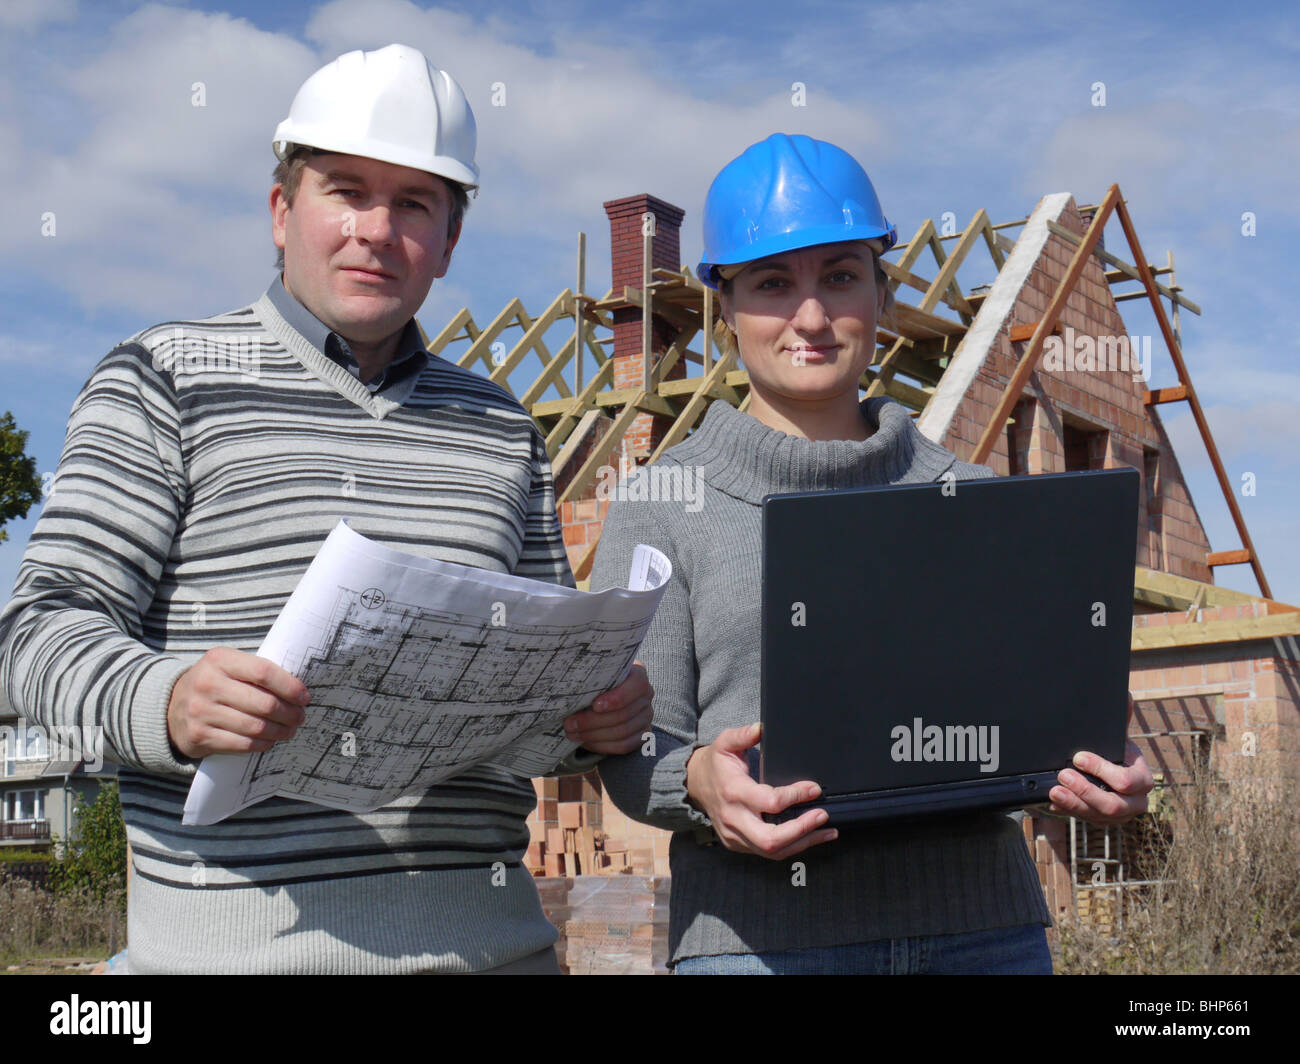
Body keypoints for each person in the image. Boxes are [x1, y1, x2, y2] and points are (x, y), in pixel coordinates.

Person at [0, 43, 651, 975]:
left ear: (450, 241)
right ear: (281, 211)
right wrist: (171, 700)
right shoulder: (166, 379)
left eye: (415, 203)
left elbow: (536, 717)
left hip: (497, 952)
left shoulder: (501, 429)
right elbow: (36, 632)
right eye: (346, 191)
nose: (376, 230)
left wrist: (591, 724)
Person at [590, 133, 1153, 975]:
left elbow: (1054, 710)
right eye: (773, 284)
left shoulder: (974, 495)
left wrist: (1111, 766)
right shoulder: (662, 505)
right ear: (725, 307)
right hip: (758, 946)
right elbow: (627, 747)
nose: (811, 317)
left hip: (984, 938)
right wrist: (698, 781)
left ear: (881, 296)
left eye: (841, 277)